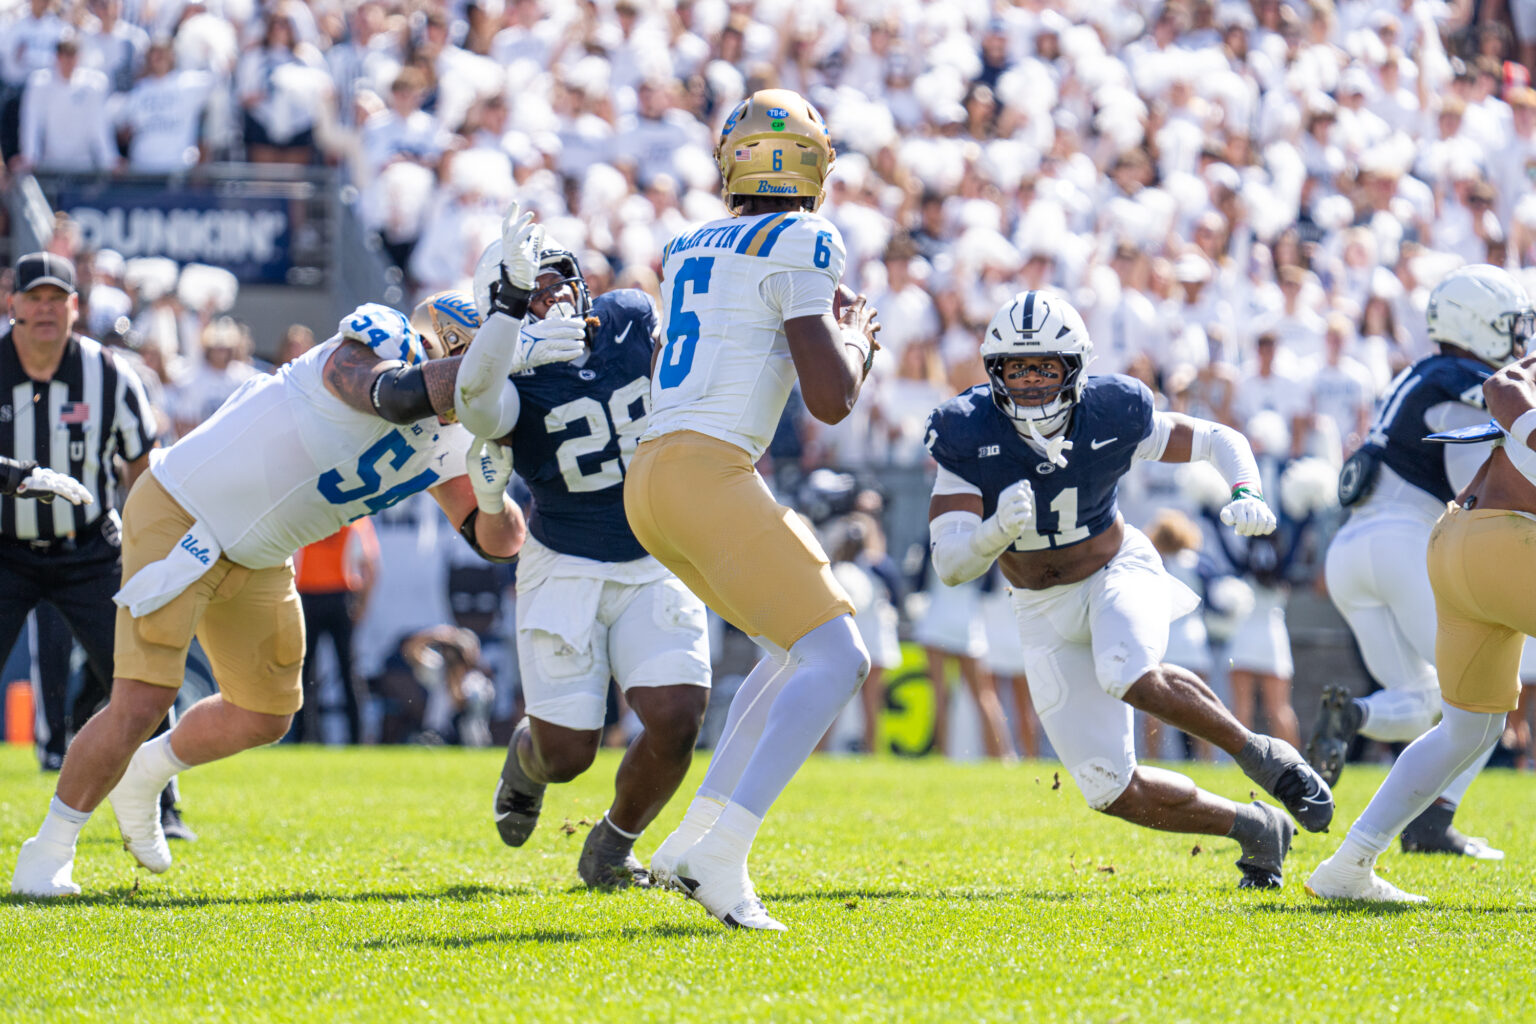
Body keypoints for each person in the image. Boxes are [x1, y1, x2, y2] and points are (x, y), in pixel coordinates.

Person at [10, 207, 583, 897]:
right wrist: (494, 360)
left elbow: (498, 542)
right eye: (480, 361)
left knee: (265, 713)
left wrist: (493, 496)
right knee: (143, 697)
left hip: (257, 551)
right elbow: (393, 397)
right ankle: (48, 851)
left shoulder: (457, 439)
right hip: (182, 509)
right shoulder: (382, 339)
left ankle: (147, 773)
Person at [923, 289, 1334, 889]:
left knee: (1126, 672)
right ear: (995, 371)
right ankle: (1254, 828)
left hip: (1115, 570)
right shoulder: (965, 427)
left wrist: (1246, 488)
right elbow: (951, 565)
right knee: (1108, 789)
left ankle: (1261, 756)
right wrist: (991, 535)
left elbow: (1216, 439)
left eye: (1044, 368)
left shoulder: (1112, 410)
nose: (1031, 382)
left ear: (1074, 368)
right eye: (1017, 368)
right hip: (1038, 608)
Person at [622, 88, 881, 931]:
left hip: (653, 475)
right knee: (838, 659)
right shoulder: (807, 237)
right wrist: (859, 342)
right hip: (708, 469)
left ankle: (691, 842)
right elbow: (831, 398)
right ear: (815, 167)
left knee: (787, 651)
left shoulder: (688, 243)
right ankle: (724, 851)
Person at [488, 238, 713, 890]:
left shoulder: (629, 318)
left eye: (557, 281)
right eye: (531, 291)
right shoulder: (501, 375)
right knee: (566, 756)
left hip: (653, 551)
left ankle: (613, 845)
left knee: (677, 719)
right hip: (565, 562)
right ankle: (527, 760)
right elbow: (471, 402)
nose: (551, 296)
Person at [1310, 265, 1533, 860]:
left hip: (1351, 550)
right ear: (1478, 322)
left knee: (1421, 698)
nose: (1520, 338)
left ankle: (1352, 716)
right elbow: (1472, 487)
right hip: (1406, 541)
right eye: (1513, 325)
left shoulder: (1417, 373)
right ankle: (1433, 821)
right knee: (1477, 700)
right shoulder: (1469, 380)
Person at [0, 252, 193, 835]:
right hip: (4, 547)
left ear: (75, 307)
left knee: (140, 678)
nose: (45, 310)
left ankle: (164, 805)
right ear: (12, 303)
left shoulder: (108, 374)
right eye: (34, 298)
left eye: (56, 299)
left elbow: (142, 469)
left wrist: (151, 551)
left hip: (88, 547)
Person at [289, 516, 380, 744]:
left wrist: (362, 605)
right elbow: (370, 566)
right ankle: (355, 738)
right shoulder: (355, 517)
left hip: (314, 598)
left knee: (308, 672)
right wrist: (362, 605)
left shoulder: (304, 516)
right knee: (345, 671)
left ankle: (304, 738)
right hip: (336, 598)